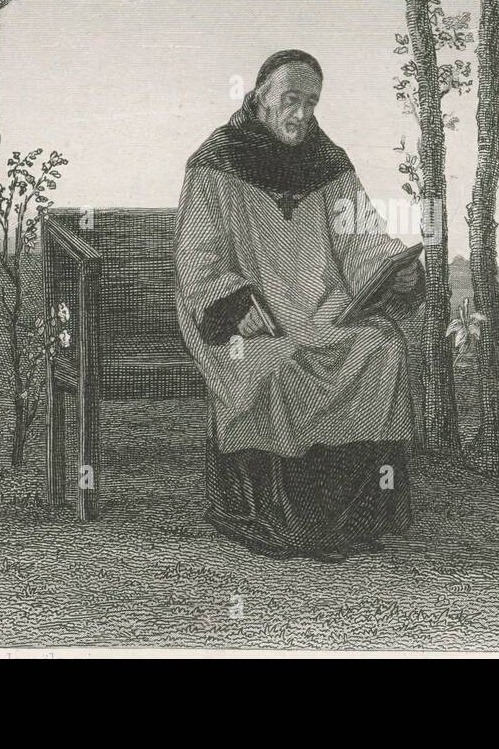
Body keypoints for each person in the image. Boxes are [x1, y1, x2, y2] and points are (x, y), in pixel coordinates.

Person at [174, 49, 423, 561]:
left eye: (311, 103)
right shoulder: (215, 160)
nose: (302, 114)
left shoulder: (329, 164)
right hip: (255, 319)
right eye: (292, 99)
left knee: (382, 348)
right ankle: (284, 520)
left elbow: (363, 242)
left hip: (325, 312)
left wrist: (395, 272)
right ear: (262, 96)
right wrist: (231, 301)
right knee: (279, 361)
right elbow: (196, 253)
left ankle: (355, 515)